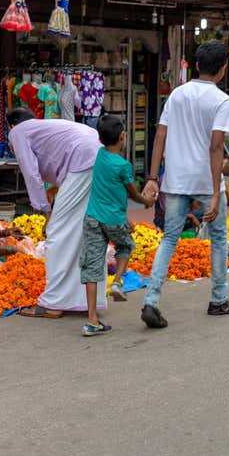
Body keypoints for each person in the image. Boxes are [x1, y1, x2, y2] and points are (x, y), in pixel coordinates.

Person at [141, 40, 229, 329]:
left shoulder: (177, 94)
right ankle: (218, 299)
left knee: (169, 238)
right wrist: (215, 192)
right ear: (223, 69)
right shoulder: (222, 101)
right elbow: (216, 148)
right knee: (220, 237)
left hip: (174, 178)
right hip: (205, 179)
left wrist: (152, 178)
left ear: (197, 65)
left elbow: (160, 136)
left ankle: (151, 300)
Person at [7, 108, 102, 318]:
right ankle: (83, 300)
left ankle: (53, 304)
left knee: (57, 235)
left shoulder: (18, 132)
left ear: (11, 126)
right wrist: (55, 190)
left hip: (83, 159)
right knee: (80, 233)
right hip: (95, 155)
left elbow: (31, 173)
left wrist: (45, 211)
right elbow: (60, 158)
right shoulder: (43, 127)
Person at [79, 115, 155, 336]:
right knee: (126, 246)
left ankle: (92, 320)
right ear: (122, 137)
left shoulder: (100, 155)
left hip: (92, 218)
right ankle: (117, 282)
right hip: (113, 220)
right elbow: (134, 195)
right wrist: (148, 201)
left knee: (92, 266)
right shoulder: (124, 166)